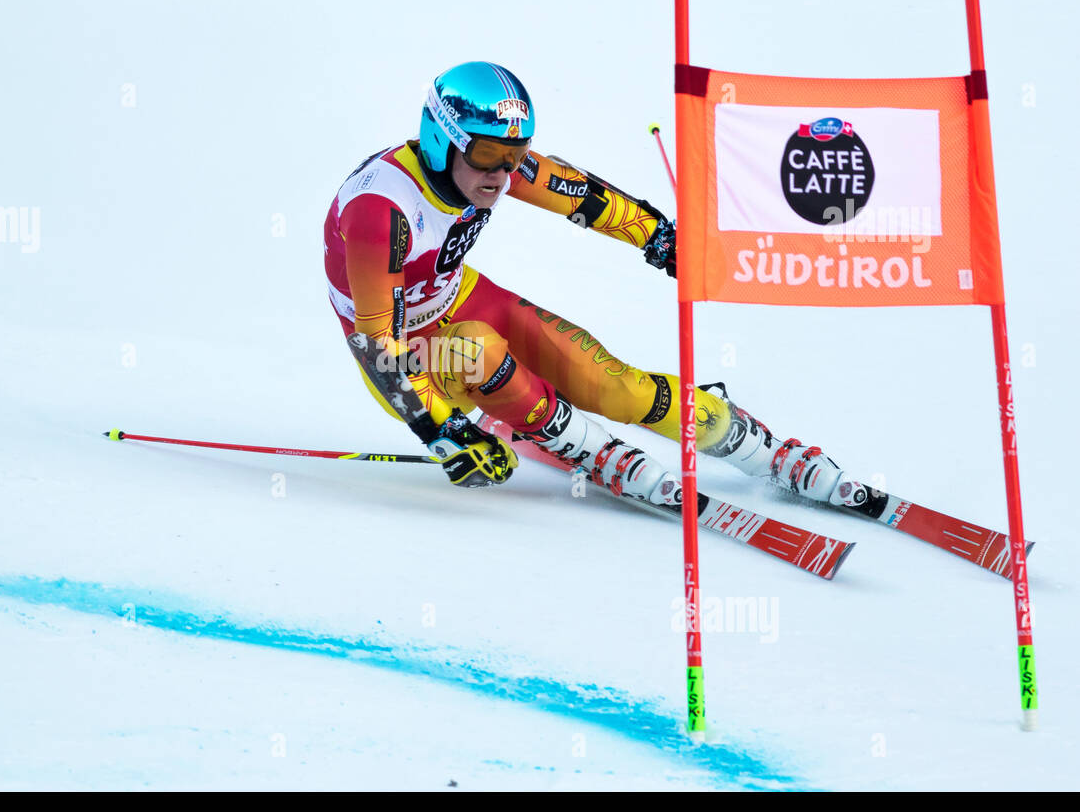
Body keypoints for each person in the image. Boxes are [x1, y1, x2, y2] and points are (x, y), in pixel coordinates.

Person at [323, 61, 866, 510]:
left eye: (514, 156)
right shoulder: (382, 211)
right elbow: (380, 348)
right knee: (477, 354)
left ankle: (760, 448)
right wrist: (441, 429)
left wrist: (660, 238)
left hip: (457, 296)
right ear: (442, 140)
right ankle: (592, 450)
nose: (501, 174)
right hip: (404, 350)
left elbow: (583, 197)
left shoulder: (494, 170)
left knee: (615, 386)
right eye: (488, 155)